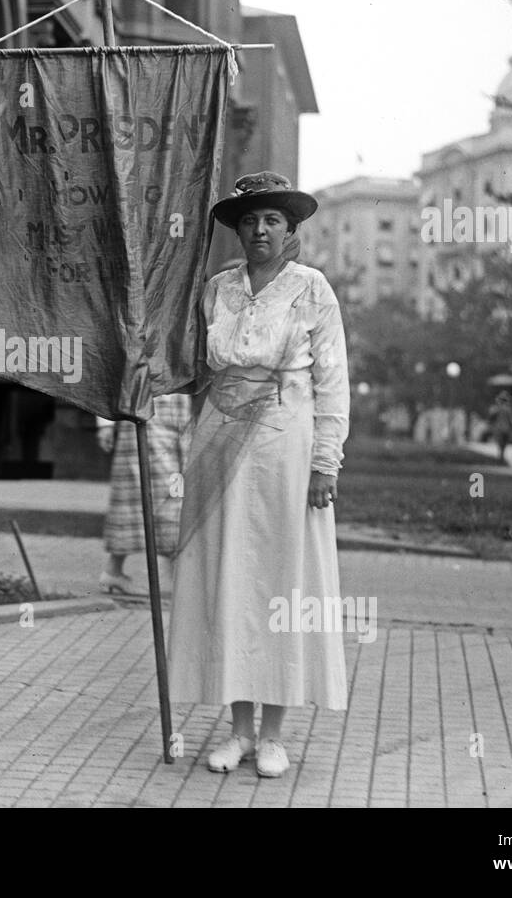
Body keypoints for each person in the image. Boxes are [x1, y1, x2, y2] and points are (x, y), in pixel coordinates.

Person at [167, 171, 350, 778]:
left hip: (284, 445)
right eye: (249, 220)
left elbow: (332, 381)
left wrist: (324, 461)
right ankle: (238, 730)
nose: (260, 230)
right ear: (238, 230)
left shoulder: (311, 289)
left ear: (290, 228)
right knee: (229, 580)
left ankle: (273, 734)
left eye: (272, 219)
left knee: (279, 582)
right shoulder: (218, 290)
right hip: (219, 442)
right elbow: (192, 365)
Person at [95, 394, 192, 594]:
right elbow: (109, 380)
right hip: (144, 414)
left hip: (175, 411)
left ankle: (114, 569)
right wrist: (105, 424)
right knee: (159, 494)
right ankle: (177, 576)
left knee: (169, 491)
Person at [488, 391, 512, 462]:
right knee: (503, 443)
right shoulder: (507, 409)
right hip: (504, 428)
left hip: (499, 428)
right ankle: (501, 455)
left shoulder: (496, 408)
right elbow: (511, 420)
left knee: (501, 442)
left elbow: (491, 418)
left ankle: (501, 455)